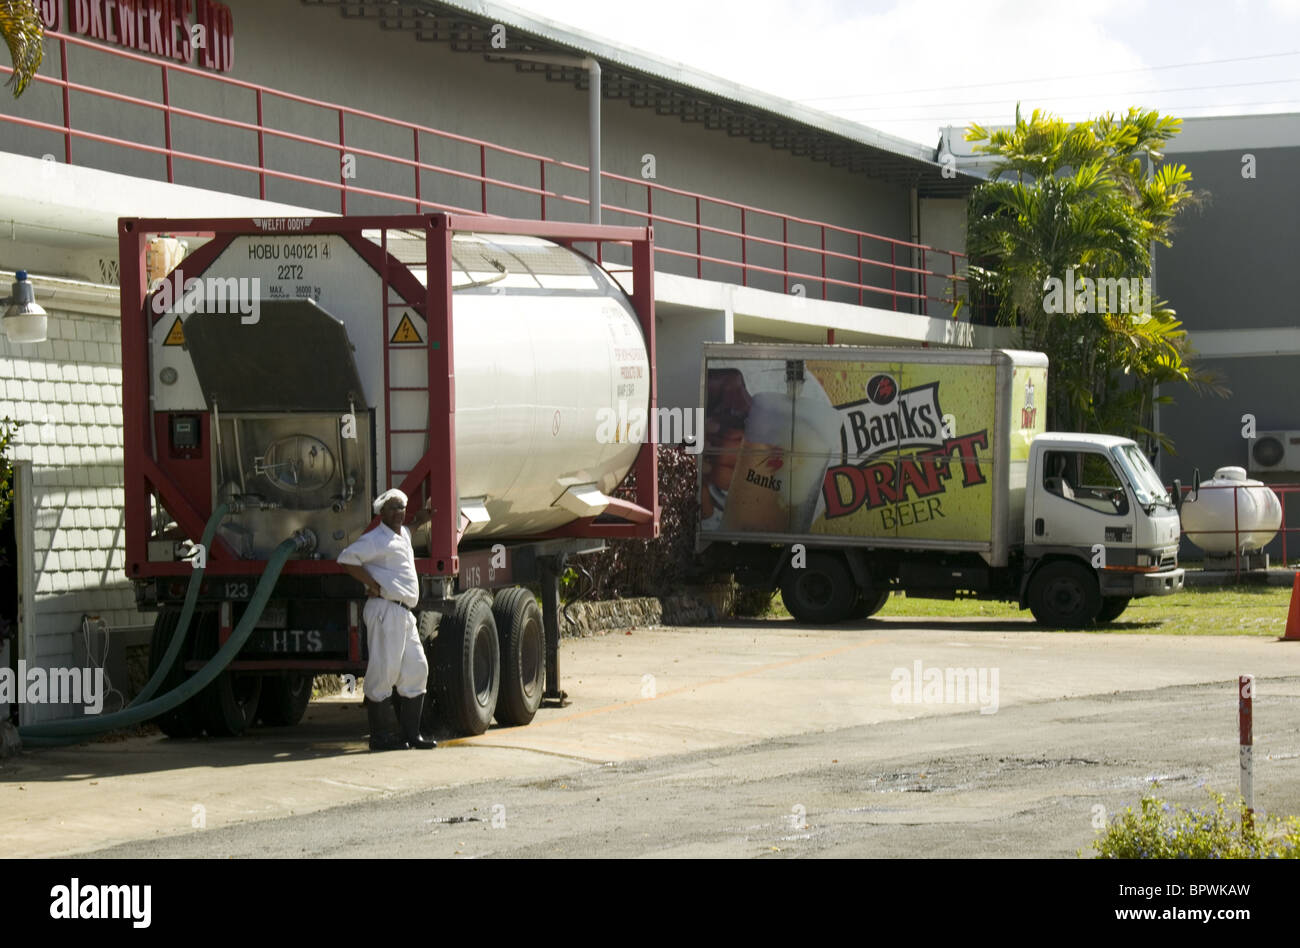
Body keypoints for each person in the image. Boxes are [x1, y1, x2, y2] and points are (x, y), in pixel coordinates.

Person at [337, 488, 437, 751]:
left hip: (404, 613)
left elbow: (410, 529)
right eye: (392, 508)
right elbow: (346, 558)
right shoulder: (375, 539)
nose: (398, 513)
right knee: (384, 672)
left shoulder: (402, 533)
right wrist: (373, 585)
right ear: (382, 512)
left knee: (417, 668)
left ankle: (411, 735)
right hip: (385, 610)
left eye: (401, 508)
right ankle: (380, 738)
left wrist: (419, 518)